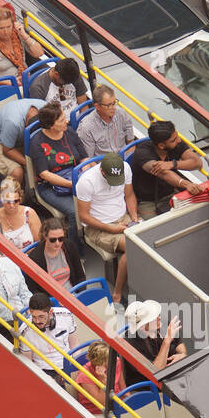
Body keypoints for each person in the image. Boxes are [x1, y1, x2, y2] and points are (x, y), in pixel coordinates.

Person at [75, 152, 137, 302]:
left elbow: (129, 195)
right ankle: (117, 293)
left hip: (124, 217)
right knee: (133, 246)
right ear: (102, 171)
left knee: (145, 239)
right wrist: (112, 229)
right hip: (99, 227)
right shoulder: (86, 182)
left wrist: (134, 218)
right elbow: (84, 216)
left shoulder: (126, 168)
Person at [30, 102, 83, 239]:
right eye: (61, 120)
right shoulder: (37, 142)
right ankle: (75, 249)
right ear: (50, 125)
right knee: (73, 211)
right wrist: (71, 184)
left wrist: (85, 177)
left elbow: (84, 158)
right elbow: (44, 174)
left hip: (77, 177)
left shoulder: (69, 131)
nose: (66, 121)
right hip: (50, 186)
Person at [129, 120, 200, 218]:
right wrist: (187, 184)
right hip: (148, 201)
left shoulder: (176, 143)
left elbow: (197, 162)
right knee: (157, 228)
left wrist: (173, 164)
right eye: (173, 140)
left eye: (177, 137)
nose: (178, 140)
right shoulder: (142, 153)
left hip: (170, 193)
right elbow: (165, 174)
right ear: (161, 146)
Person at [122, 300, 186, 386]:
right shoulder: (131, 344)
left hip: (171, 375)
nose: (159, 318)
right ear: (142, 327)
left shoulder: (160, 323)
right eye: (153, 318)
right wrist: (166, 341)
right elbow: (155, 373)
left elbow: (178, 342)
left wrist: (182, 354)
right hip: (150, 388)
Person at [18, 290, 77, 382]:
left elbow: (75, 345)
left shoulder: (66, 315)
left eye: (41, 317)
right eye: (34, 317)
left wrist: (76, 366)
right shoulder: (25, 331)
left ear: (50, 312)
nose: (37, 321)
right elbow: (28, 363)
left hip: (68, 363)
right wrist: (42, 377)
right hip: (44, 370)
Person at [0, 5, 44, 81]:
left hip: (27, 78)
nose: (6, 31)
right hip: (10, 86)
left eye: (8, 27)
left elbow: (39, 53)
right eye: (1, 28)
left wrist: (24, 35)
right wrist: (10, 82)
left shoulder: (17, 35)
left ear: (13, 25)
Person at [0, 94, 38, 181]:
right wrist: (30, 164)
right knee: (17, 172)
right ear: (26, 125)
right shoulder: (13, 122)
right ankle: (15, 192)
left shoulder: (44, 108)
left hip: (21, 140)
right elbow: (7, 150)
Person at [28, 215, 84, 294]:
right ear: (45, 236)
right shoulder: (35, 258)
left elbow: (80, 275)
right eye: (53, 240)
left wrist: (81, 294)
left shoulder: (69, 246)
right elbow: (34, 289)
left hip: (73, 293)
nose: (57, 243)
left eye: (61, 239)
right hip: (52, 300)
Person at [73, 85, 134, 157]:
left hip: (125, 159)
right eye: (109, 105)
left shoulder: (122, 114)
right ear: (97, 106)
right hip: (103, 166)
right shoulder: (86, 128)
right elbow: (88, 160)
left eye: (114, 103)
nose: (113, 107)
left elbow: (131, 144)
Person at [0, 176, 41, 251]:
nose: (12, 206)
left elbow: (39, 244)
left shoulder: (30, 213)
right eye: (8, 201)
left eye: (15, 201)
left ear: (20, 199)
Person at [75, 341, 123, 414]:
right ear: (100, 362)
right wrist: (103, 380)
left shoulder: (116, 361)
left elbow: (122, 385)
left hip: (114, 402)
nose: (113, 360)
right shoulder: (84, 376)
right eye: (108, 359)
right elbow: (101, 402)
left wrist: (127, 398)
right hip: (96, 411)